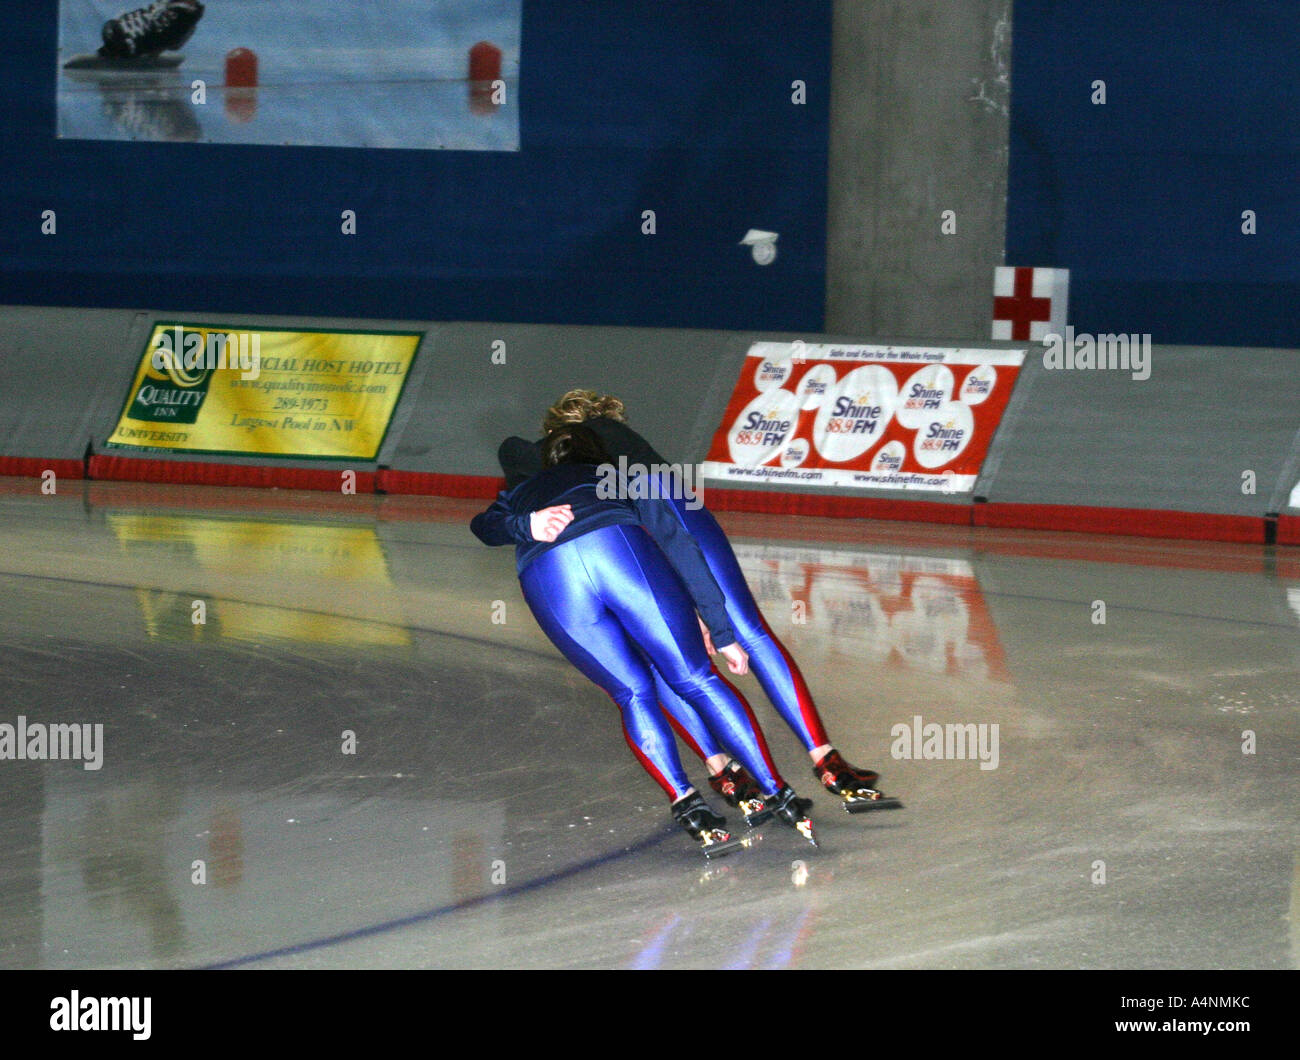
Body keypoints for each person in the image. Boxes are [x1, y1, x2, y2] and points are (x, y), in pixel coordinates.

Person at [498, 389, 902, 815]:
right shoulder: (607, 430)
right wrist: (711, 617)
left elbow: (512, 481)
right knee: (746, 630)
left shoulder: (538, 462)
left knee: (659, 661)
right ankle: (827, 762)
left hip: (603, 538)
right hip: (662, 506)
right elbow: (672, 532)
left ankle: (723, 771)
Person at [472, 425, 817, 855]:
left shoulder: (524, 490)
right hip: (613, 548)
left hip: (547, 573)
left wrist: (526, 524)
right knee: (696, 678)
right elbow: (682, 548)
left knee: (633, 694)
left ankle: (687, 804)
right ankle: (777, 793)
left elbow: (484, 526)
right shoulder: (622, 475)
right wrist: (722, 631)